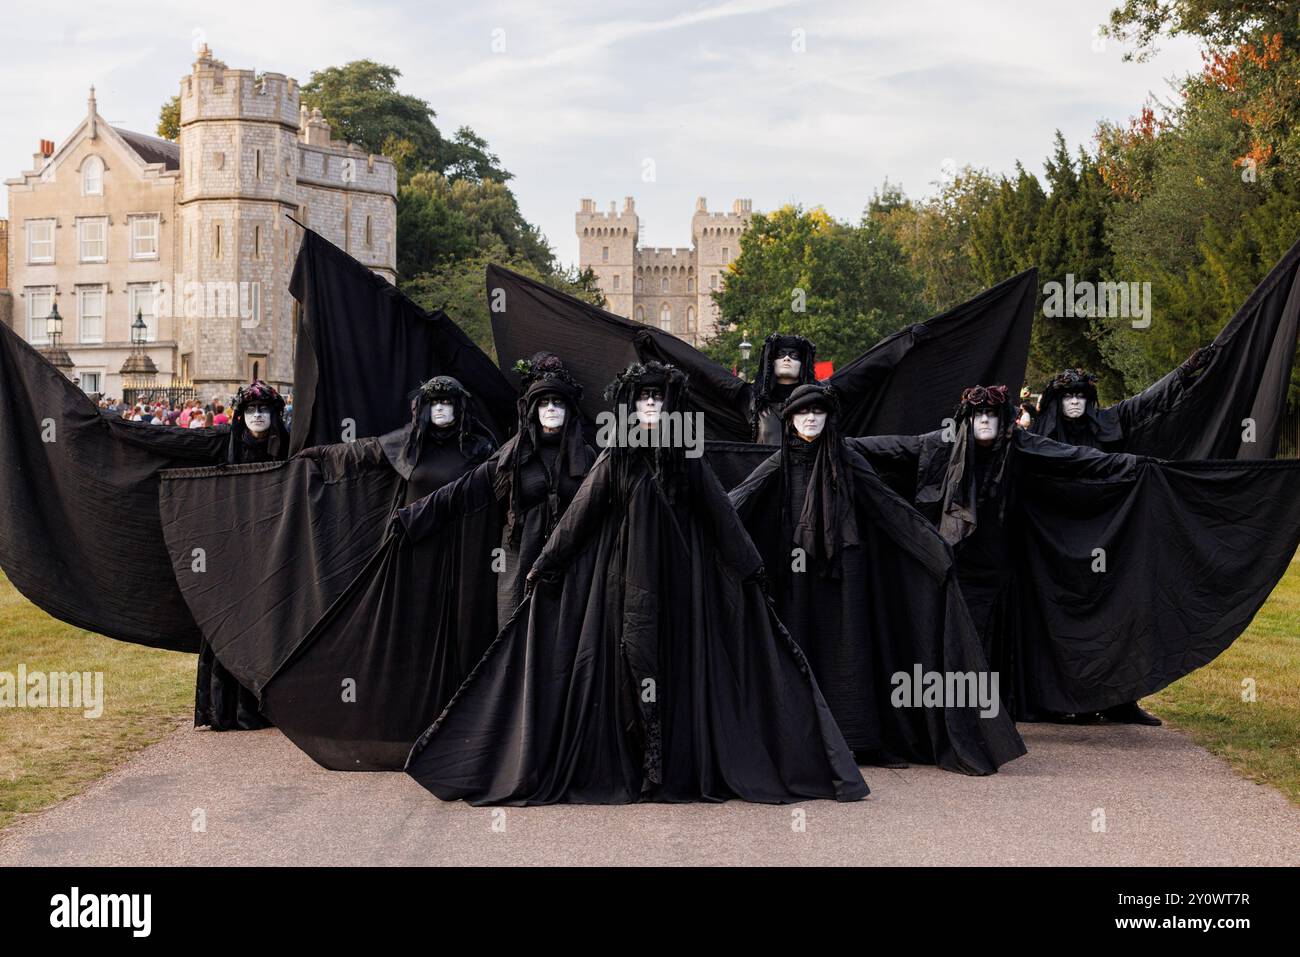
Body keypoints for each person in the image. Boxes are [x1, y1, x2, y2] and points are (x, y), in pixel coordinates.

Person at [405, 360, 869, 805]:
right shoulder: (617, 455)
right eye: (643, 397)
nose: (650, 405)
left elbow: (718, 513)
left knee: (673, 660)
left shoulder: (687, 455)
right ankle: (636, 761)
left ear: (670, 405)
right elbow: (581, 514)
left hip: (680, 581)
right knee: (627, 658)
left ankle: (668, 764)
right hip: (622, 579)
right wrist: (546, 563)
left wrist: (750, 566)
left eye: (657, 397)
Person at [730, 382, 1024, 773]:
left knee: (850, 649)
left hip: (847, 571)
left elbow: (886, 503)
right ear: (790, 420)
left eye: (818, 412)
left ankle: (856, 739)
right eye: (803, 413)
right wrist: (700, 527)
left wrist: (933, 548)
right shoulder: (782, 460)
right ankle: (805, 739)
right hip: (798, 571)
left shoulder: (845, 456)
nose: (812, 418)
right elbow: (741, 498)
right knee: (802, 644)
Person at [396, 352, 595, 628]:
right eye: (544, 403)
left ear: (569, 410)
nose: (551, 409)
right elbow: (465, 488)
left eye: (558, 402)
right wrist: (414, 515)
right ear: (533, 410)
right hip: (519, 559)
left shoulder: (587, 457)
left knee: (564, 637)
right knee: (514, 633)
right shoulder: (513, 455)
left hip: (570, 563)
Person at [194, 380, 292, 733]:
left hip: (276, 552)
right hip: (233, 553)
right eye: (251, 411)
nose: (258, 417)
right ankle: (230, 708)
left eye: (264, 410)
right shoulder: (226, 446)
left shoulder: (291, 448)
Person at [748, 333, 817, 443]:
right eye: (781, 354)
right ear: (772, 362)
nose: (786, 358)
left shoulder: (818, 397)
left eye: (794, 355)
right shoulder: (755, 398)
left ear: (803, 363)